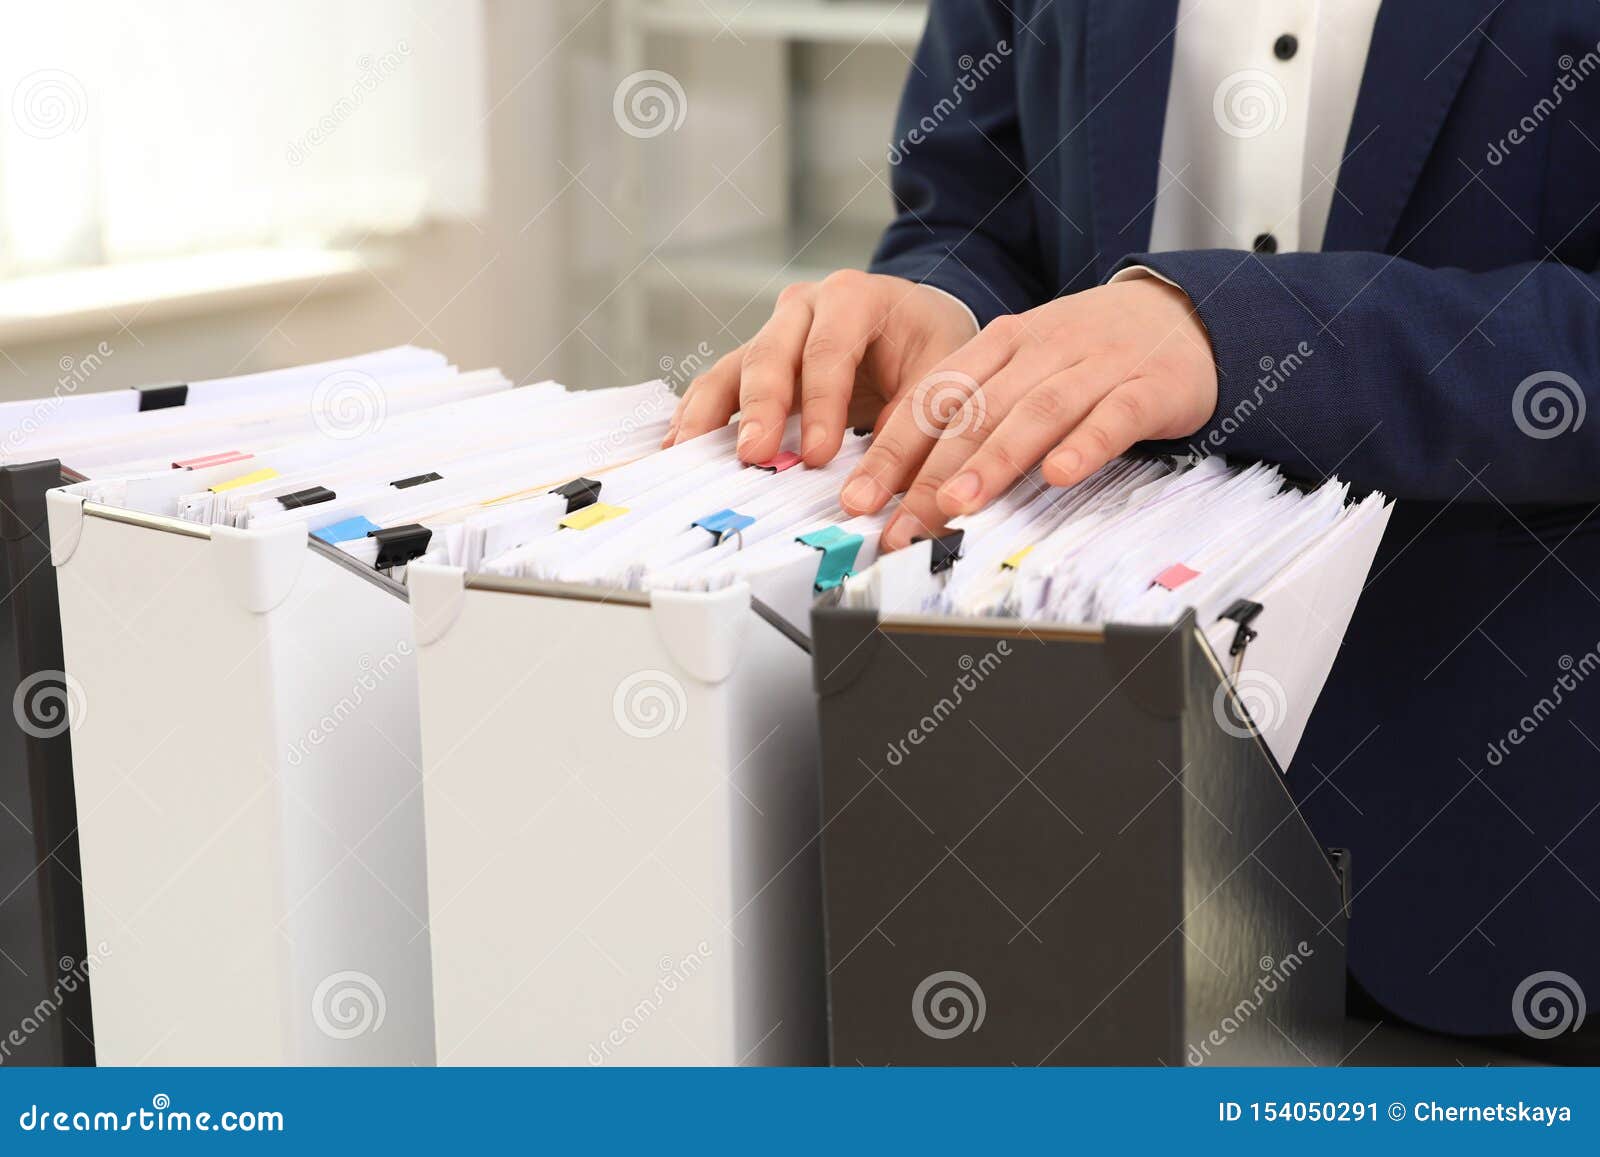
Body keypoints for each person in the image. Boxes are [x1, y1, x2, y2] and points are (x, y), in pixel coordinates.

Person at [666, 0, 1600, 1053]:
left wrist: (1232, 333)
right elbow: (969, 217)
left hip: (1505, 861)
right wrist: (947, 311)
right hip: (1047, 824)